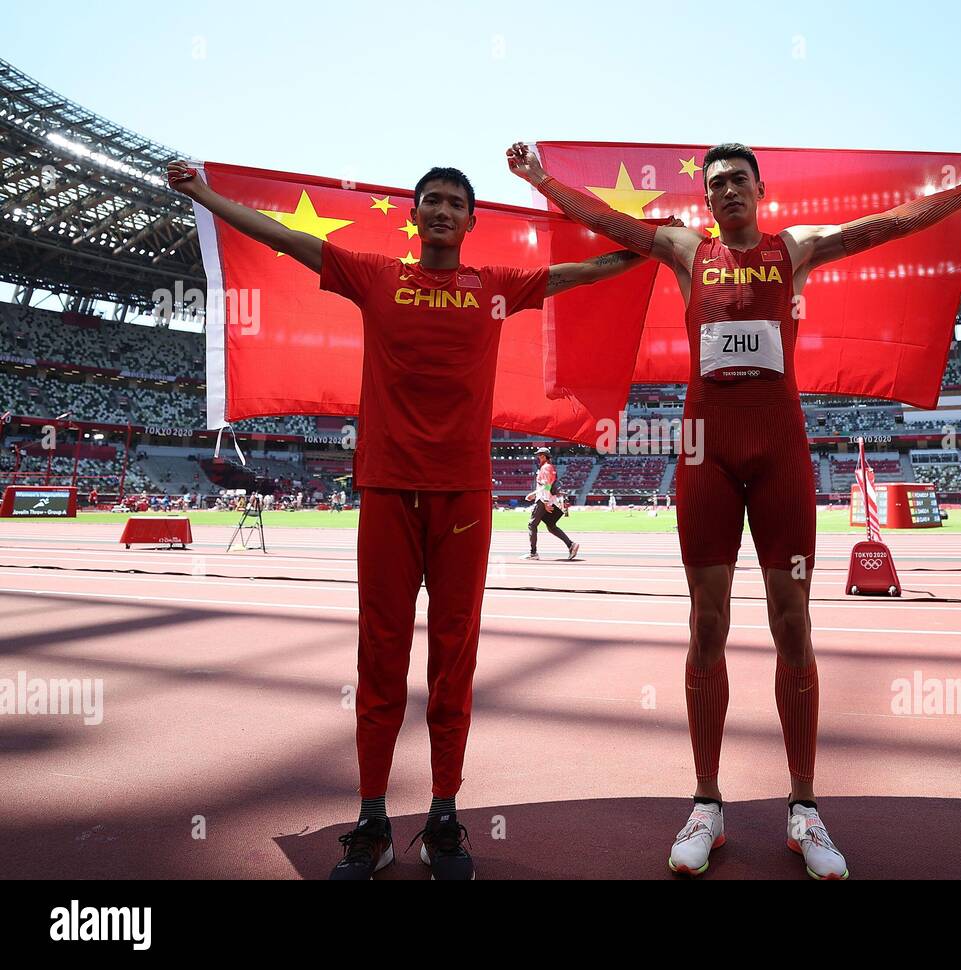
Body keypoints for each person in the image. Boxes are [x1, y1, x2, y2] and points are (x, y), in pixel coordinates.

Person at [508, 141, 961, 879]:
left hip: (779, 449)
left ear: (759, 189)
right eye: (714, 184)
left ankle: (805, 809)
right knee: (706, 622)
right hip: (704, 451)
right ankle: (706, 806)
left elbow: (890, 224)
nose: (724, 193)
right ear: (707, 197)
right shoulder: (688, 251)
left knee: (792, 622)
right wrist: (540, 179)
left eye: (736, 181)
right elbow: (609, 221)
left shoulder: (795, 248)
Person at [169, 158, 657, 881]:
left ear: (470, 221)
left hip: (462, 498)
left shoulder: (492, 288)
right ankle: (371, 818)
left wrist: (647, 248)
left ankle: (443, 815)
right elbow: (281, 239)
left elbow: (575, 278)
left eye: (453, 203)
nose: (439, 210)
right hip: (390, 493)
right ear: (414, 216)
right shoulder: (375, 277)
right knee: (381, 655)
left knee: (454, 657)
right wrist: (205, 196)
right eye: (428, 200)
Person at [521, 446, 578, 560]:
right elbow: (547, 485)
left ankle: (533, 553)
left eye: (539, 455)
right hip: (547, 499)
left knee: (532, 524)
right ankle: (571, 545)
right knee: (551, 526)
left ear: (543, 456)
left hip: (543, 500)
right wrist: (534, 493)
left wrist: (546, 501)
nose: (538, 457)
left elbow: (547, 485)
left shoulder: (545, 467)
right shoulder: (549, 467)